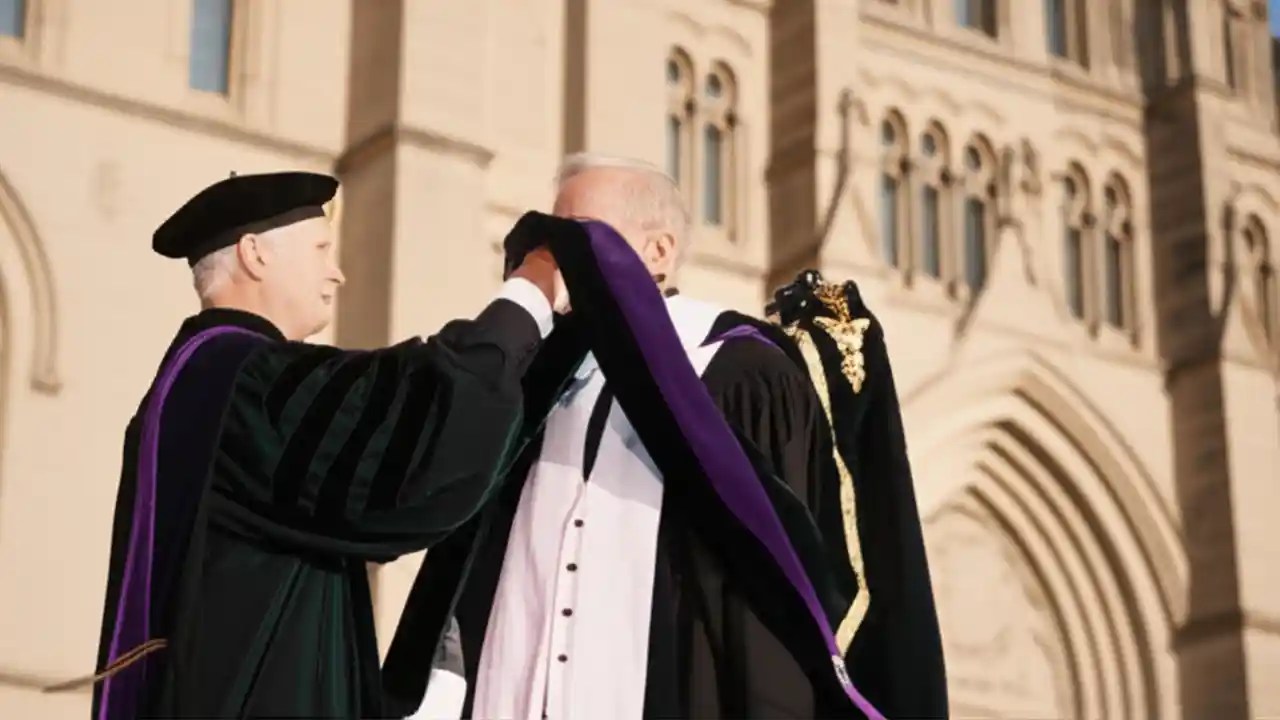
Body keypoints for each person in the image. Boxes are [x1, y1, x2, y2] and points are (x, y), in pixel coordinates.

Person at [381, 154, 943, 719]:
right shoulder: (535, 381)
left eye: (581, 235)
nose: (556, 257)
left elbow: (761, 605)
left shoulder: (734, 372)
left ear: (658, 254)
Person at [82, 171, 570, 719]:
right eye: (320, 250)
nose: (336, 273)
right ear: (254, 255)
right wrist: (530, 294)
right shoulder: (244, 379)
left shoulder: (190, 380)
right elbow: (417, 421)